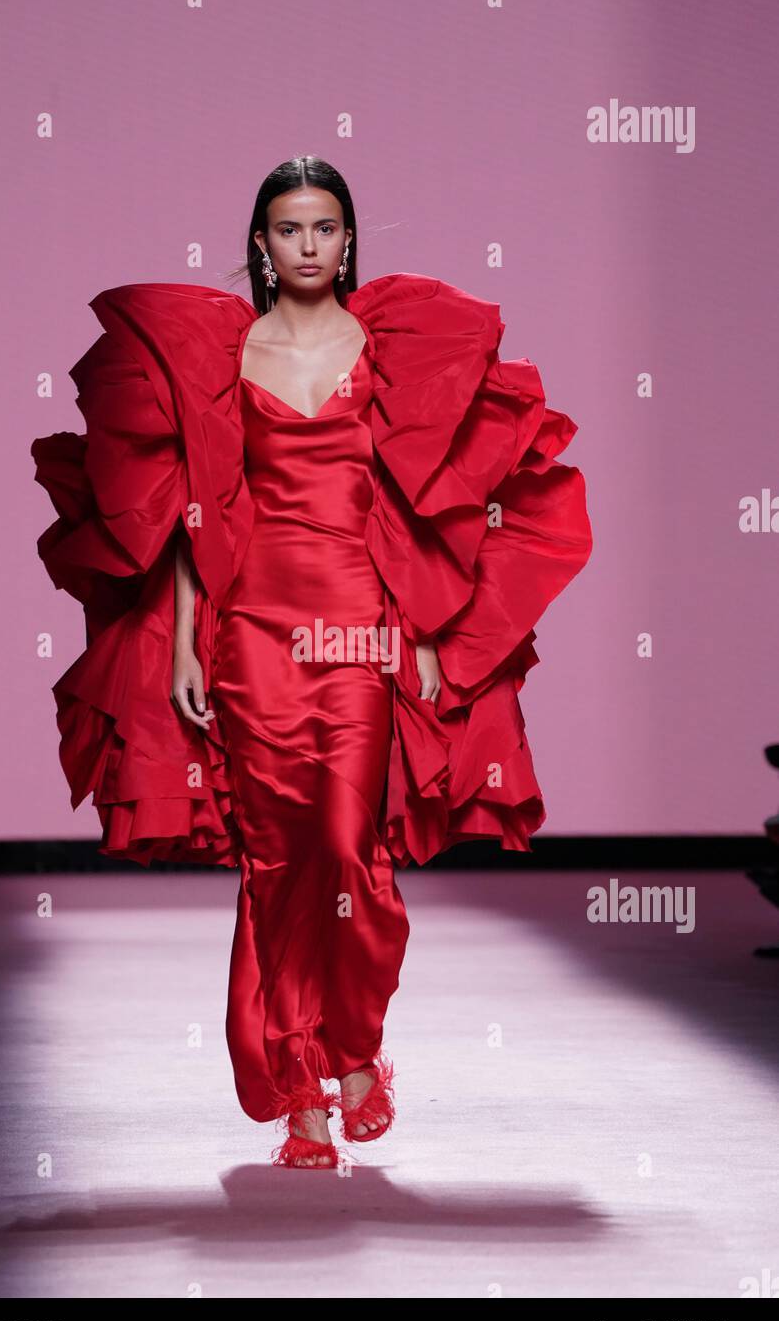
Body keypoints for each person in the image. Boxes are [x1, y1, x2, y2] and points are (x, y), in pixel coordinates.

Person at [31, 155, 593, 1171]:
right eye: (288, 228)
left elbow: (413, 499)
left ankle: (360, 1048)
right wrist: (190, 634)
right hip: (251, 629)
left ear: (346, 241)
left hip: (358, 628)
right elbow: (208, 504)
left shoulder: (381, 349)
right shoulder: (221, 354)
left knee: (347, 844)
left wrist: (420, 629)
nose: (305, 244)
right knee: (276, 856)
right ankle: (302, 1090)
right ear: (258, 243)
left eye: (324, 228)